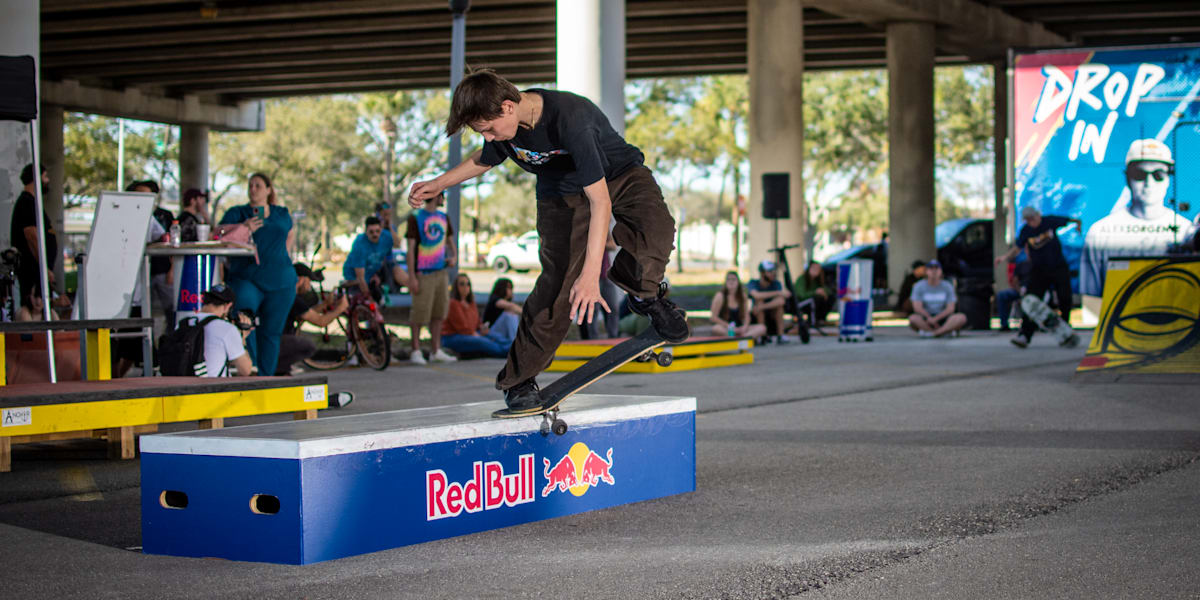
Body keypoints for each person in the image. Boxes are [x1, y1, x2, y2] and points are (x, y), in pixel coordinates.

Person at [408, 69, 688, 411]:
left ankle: (643, 294)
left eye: (490, 130)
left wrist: (590, 277)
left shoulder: (570, 119)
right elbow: (484, 159)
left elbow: (600, 202)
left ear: (508, 107)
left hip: (619, 175)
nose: (492, 138)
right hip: (560, 194)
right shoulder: (504, 127)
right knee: (558, 286)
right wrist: (439, 183)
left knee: (655, 232)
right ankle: (519, 379)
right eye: (484, 133)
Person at [1081, 139, 1187, 297]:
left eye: (1158, 175)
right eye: (1139, 174)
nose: (1149, 183)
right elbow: (1091, 301)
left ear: (1168, 179)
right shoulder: (1100, 233)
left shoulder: (1186, 231)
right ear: (1127, 178)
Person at [219, 172, 297, 377]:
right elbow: (218, 236)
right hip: (246, 277)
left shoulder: (281, 213)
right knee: (245, 324)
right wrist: (244, 227)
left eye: (258, 186)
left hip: (280, 278)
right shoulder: (238, 212)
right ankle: (250, 374)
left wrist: (284, 256)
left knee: (271, 333)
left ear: (269, 190)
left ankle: (266, 380)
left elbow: (289, 234)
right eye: (250, 186)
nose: (253, 189)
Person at [996, 206, 1081, 348]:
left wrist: (1078, 225)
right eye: (1028, 220)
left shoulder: (1049, 221)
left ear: (1038, 215)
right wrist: (1004, 257)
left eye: (1033, 219)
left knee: (1065, 297)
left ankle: (1065, 330)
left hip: (1058, 267)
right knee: (1031, 301)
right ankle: (1024, 335)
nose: (1032, 223)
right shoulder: (1026, 231)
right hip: (1039, 271)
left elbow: (1072, 220)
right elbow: (1017, 248)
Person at [405, 192, 457, 365]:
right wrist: (412, 276)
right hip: (423, 272)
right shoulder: (416, 218)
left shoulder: (443, 217)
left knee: (439, 312)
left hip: (441, 272)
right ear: (436, 196)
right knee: (420, 312)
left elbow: (449, 240)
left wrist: (454, 256)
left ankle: (436, 350)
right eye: (442, 195)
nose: (443, 198)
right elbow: (411, 249)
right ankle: (416, 349)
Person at [277, 263, 350, 375]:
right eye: (308, 281)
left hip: (274, 339)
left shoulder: (284, 293)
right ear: (300, 279)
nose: (309, 286)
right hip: (279, 341)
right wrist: (340, 308)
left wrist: (325, 304)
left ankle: (281, 367)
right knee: (308, 346)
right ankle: (282, 367)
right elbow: (321, 322)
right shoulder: (293, 298)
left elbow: (304, 314)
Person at [442, 273, 517, 359]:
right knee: (485, 342)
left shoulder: (471, 303)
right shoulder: (453, 303)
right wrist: (474, 334)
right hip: (454, 336)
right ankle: (510, 353)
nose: (465, 287)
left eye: (468, 284)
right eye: (462, 284)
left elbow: (477, 322)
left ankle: (516, 347)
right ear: (456, 287)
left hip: (472, 333)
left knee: (496, 336)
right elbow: (461, 327)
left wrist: (482, 328)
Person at [10, 163, 56, 300]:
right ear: (36, 178)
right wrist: (44, 266)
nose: (47, 180)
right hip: (32, 273)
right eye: (45, 176)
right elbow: (31, 235)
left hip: (37, 272)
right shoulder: (26, 202)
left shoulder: (32, 202)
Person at [190, 283, 252, 378]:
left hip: (183, 386)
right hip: (212, 389)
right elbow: (245, 370)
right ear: (228, 306)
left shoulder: (183, 323)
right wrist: (242, 340)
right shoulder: (226, 328)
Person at [343, 216, 408, 301]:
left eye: (377, 231)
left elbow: (397, 244)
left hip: (374, 273)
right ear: (366, 231)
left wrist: (390, 227)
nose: (375, 234)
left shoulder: (386, 236)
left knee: (395, 268)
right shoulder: (359, 244)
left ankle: (415, 291)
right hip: (356, 279)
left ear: (381, 229)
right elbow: (360, 278)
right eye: (371, 232)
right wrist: (370, 301)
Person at [907, 259, 967, 338]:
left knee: (961, 317)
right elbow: (917, 307)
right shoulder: (918, 286)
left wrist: (936, 318)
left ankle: (935, 333)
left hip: (943, 317)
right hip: (926, 318)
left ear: (941, 271)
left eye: (936, 268)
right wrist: (929, 318)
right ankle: (943, 332)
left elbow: (950, 308)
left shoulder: (947, 286)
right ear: (926, 271)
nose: (934, 271)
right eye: (931, 269)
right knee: (913, 318)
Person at [708, 271, 768, 339]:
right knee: (716, 328)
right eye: (728, 279)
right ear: (725, 282)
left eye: (733, 279)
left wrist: (744, 327)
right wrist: (729, 327)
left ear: (738, 282)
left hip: (740, 327)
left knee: (762, 328)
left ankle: (743, 337)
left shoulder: (742, 296)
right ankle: (738, 339)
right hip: (726, 327)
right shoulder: (720, 296)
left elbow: (746, 316)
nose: (731, 282)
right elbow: (713, 317)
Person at [747, 259, 791, 344]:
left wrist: (761, 307)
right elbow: (756, 295)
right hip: (756, 316)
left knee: (779, 307)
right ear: (762, 273)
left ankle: (780, 336)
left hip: (771, 314)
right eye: (770, 271)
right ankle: (762, 336)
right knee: (759, 301)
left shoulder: (776, 283)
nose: (773, 274)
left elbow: (781, 301)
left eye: (774, 271)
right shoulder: (753, 283)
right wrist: (778, 292)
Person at [994, 257, 1031, 332]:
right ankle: (1004, 324)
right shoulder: (1021, 264)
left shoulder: (1038, 264)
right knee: (1001, 295)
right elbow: (1014, 280)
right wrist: (1019, 290)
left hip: (1035, 290)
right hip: (1020, 290)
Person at [794, 260, 834, 325]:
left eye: (818, 269)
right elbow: (801, 295)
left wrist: (824, 292)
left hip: (813, 301)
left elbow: (827, 290)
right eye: (814, 268)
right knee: (815, 299)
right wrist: (815, 292)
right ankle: (813, 321)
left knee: (830, 297)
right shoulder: (802, 279)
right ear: (809, 268)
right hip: (802, 303)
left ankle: (820, 319)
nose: (816, 270)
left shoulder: (818, 280)